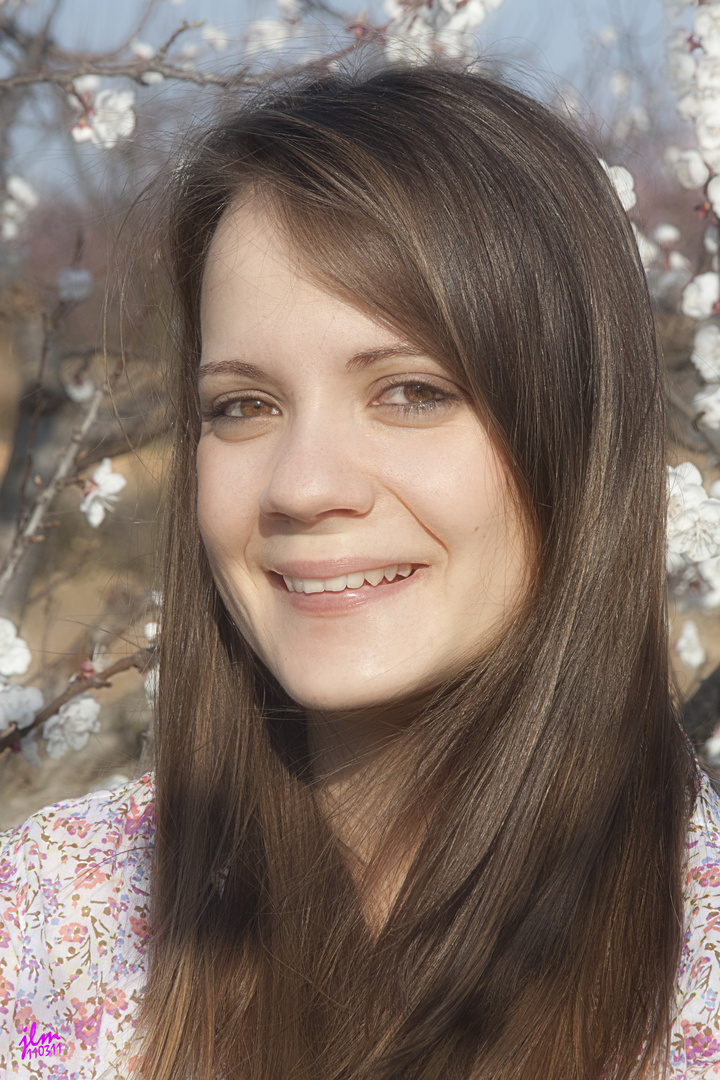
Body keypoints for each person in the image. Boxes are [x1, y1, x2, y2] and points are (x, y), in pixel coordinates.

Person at [1, 62, 719, 1080]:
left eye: (411, 391)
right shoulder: (53, 923)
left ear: (574, 431)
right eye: (243, 406)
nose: (303, 485)